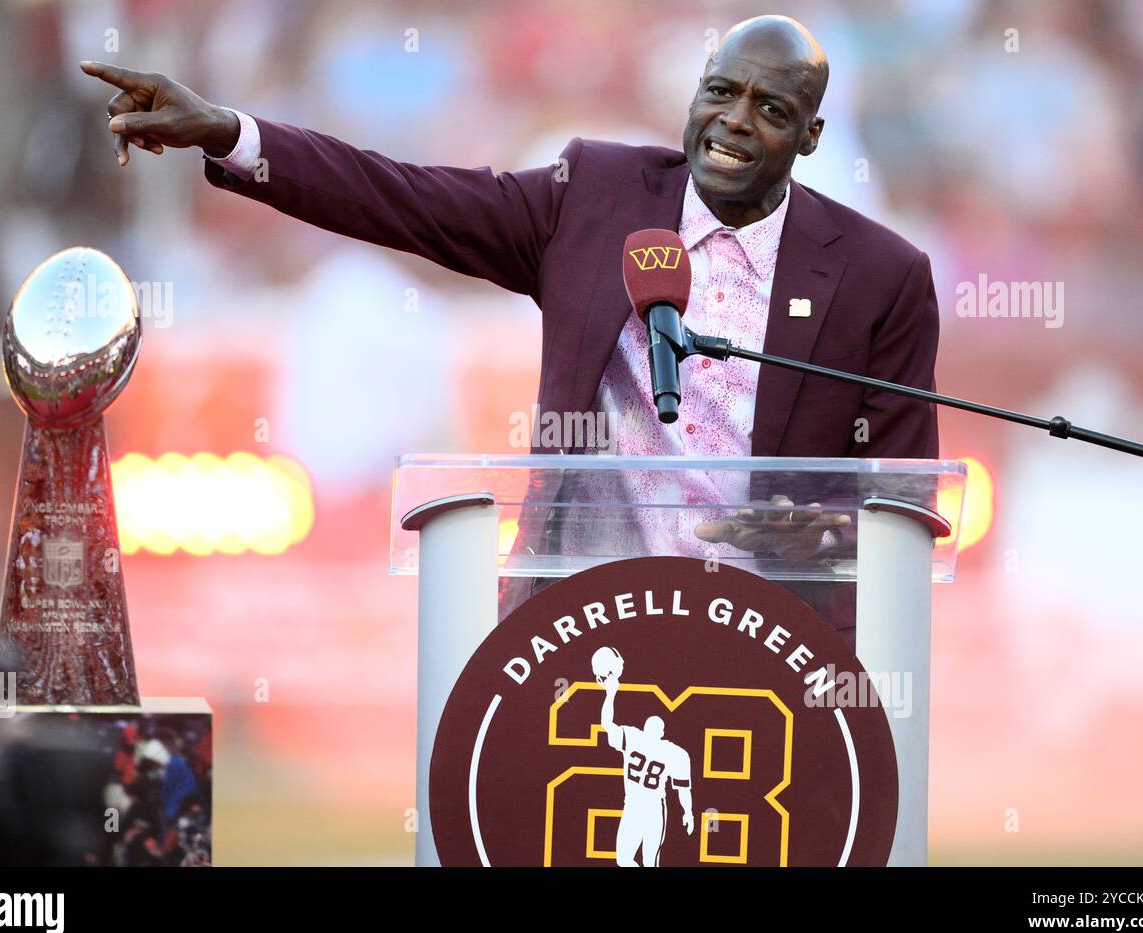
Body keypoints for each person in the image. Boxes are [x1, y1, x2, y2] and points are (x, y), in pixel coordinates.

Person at [80, 15, 940, 644]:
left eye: (772, 109)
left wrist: (823, 531)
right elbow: (402, 197)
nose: (736, 120)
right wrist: (232, 133)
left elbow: (903, 493)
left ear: (813, 134)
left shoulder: (878, 276)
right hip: (579, 627)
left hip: (773, 641)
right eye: (720, 91)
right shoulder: (593, 198)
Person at [600, 672, 693, 868]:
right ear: (662, 733)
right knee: (645, 862)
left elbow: (607, 724)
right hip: (650, 807)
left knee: (628, 860)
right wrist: (688, 812)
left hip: (637, 806)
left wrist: (610, 694)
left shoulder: (634, 738)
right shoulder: (674, 753)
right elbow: (683, 790)